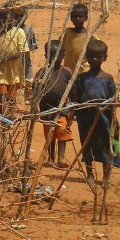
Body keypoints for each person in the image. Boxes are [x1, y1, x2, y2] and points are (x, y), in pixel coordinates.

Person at [70, 38, 119, 186]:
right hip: (85, 118)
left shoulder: (108, 78)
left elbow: (113, 99)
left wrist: (111, 112)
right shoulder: (81, 78)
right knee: (87, 144)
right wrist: (72, 115)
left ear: (105, 57)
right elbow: (75, 98)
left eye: (98, 56)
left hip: (105, 117)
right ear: (86, 56)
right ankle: (89, 174)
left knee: (106, 145)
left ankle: (105, 177)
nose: (95, 59)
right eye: (91, 56)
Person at [34, 39, 73, 168]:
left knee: (62, 132)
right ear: (46, 56)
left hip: (62, 109)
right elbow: (35, 89)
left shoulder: (66, 72)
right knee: (49, 135)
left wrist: (72, 111)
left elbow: (72, 89)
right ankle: (51, 157)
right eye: (52, 55)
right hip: (46, 109)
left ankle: (60, 158)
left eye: (59, 55)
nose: (56, 58)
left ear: (63, 56)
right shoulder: (42, 73)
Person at [0, 7, 28, 115]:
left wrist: (3, 59)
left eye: (7, 18)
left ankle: (10, 121)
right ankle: (3, 122)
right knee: (2, 98)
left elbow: (23, 53)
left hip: (14, 72)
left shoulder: (19, 32)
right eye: (1, 19)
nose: (3, 21)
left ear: (13, 19)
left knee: (11, 100)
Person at [60, 2, 95, 74]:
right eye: (75, 16)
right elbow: (59, 46)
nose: (77, 19)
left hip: (83, 71)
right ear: (71, 18)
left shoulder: (90, 36)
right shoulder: (67, 33)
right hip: (68, 70)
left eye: (80, 16)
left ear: (86, 18)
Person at [13, 5, 38, 91]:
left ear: (26, 16)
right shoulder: (11, 30)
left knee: (29, 80)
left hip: (26, 60)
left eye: (22, 16)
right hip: (13, 60)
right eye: (16, 16)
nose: (19, 19)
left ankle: (28, 99)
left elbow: (32, 45)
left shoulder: (29, 29)